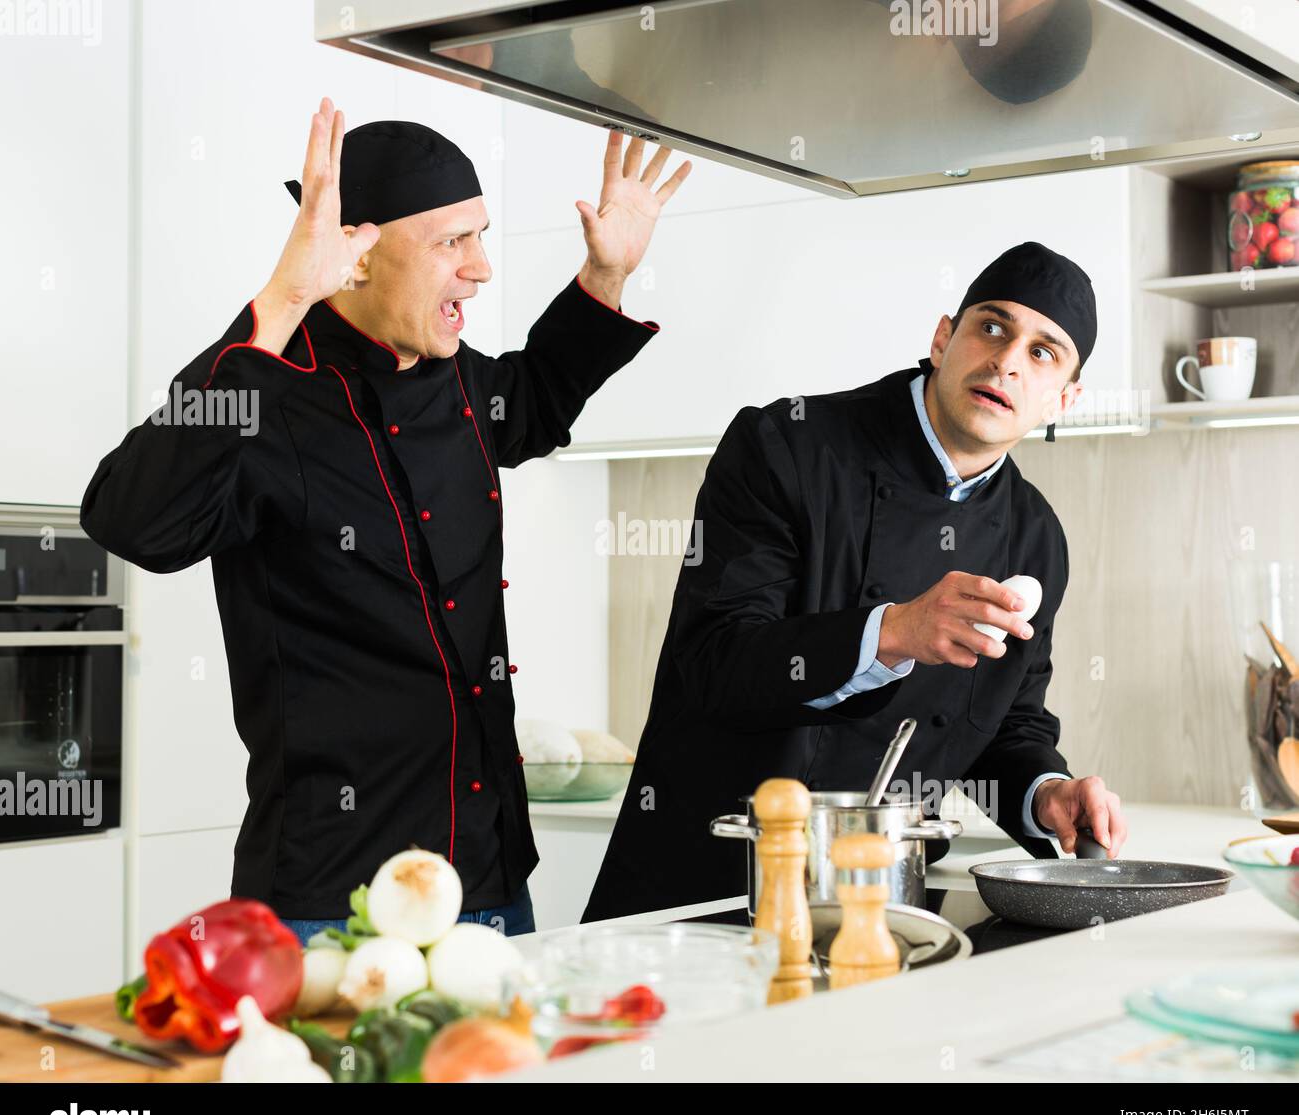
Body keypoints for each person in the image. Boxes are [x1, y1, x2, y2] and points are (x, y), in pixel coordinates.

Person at [81, 98, 690, 945]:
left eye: (480, 236)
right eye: (452, 242)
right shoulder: (264, 399)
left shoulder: (463, 383)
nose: (480, 270)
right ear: (357, 259)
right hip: (333, 903)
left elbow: (540, 397)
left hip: (489, 881)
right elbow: (130, 519)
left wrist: (608, 276)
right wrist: (283, 296)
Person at [583, 241, 1128, 922]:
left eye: (1043, 352)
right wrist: (894, 632)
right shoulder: (785, 446)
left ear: (1064, 399)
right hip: (707, 889)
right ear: (942, 338)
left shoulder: (1035, 534)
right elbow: (711, 663)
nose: (1007, 360)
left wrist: (1045, 791)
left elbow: (1001, 723)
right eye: (991, 326)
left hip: (880, 904)